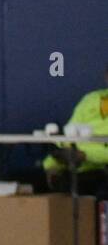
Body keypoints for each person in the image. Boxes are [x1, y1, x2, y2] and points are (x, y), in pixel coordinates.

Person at [42, 63, 108, 197]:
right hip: (75, 166)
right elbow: (69, 135)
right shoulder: (91, 99)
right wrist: (51, 165)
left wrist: (85, 155)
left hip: (100, 169)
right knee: (26, 181)